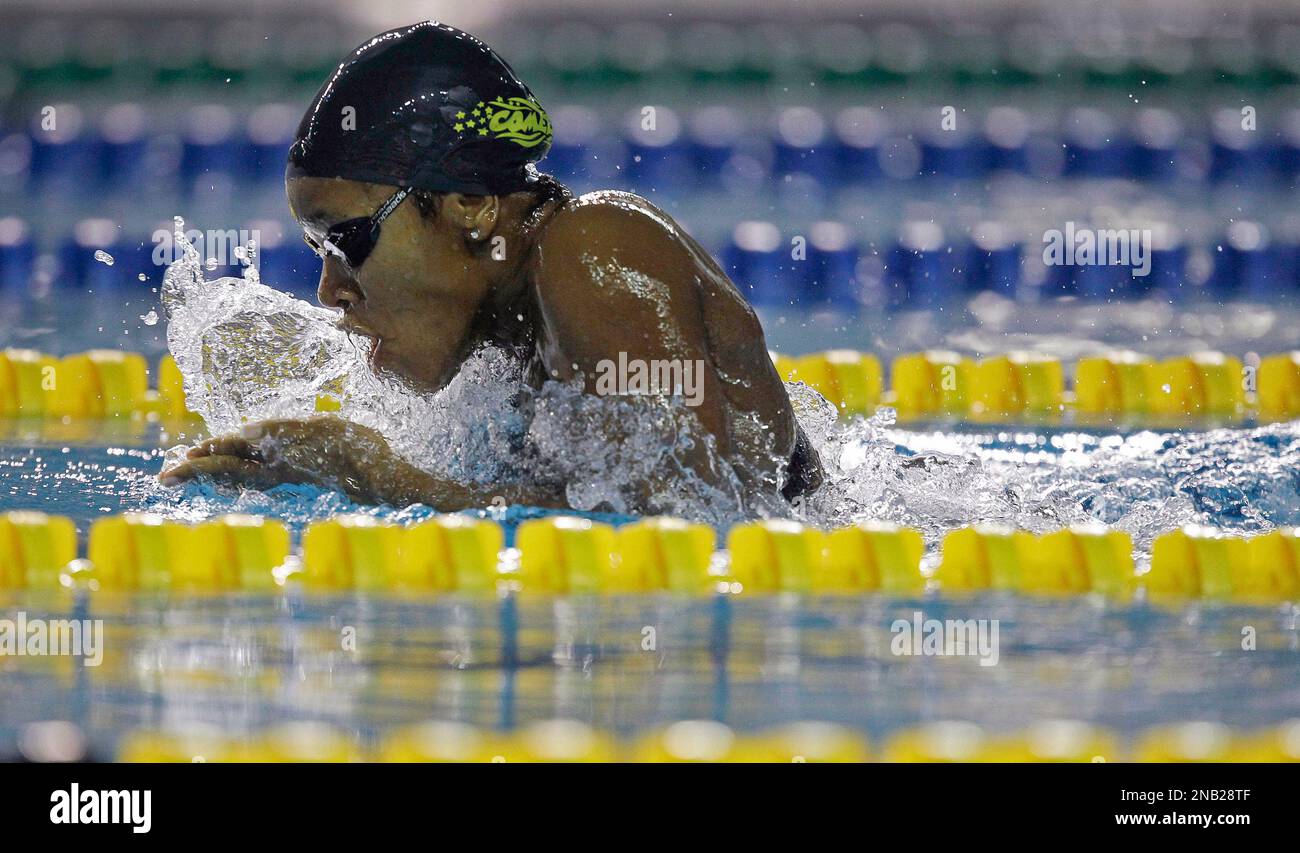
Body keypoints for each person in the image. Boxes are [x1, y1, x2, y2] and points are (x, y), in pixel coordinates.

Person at [159, 21, 822, 511]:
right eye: (317, 254)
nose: (331, 290)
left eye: (347, 241)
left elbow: (686, 522)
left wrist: (382, 479)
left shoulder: (595, 250)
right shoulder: (509, 341)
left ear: (471, 205)